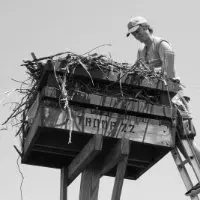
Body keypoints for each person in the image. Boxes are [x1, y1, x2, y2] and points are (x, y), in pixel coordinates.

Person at [126, 16, 200, 194]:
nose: (136, 35)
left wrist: (151, 74)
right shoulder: (141, 51)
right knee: (175, 141)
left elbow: (170, 74)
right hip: (157, 99)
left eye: (137, 31)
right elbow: (138, 72)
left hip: (172, 97)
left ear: (146, 27)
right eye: (133, 34)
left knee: (186, 139)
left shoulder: (162, 45)